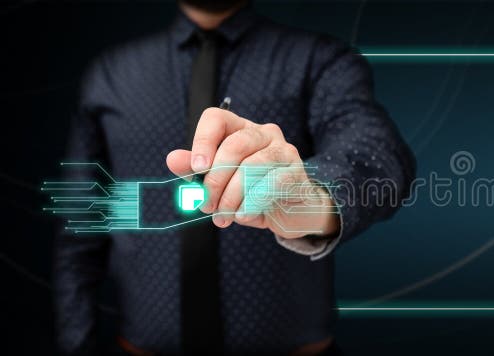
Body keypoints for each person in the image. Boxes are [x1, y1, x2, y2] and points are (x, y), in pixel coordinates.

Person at [53, 0, 415, 354]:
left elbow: (378, 154)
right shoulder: (110, 73)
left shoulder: (321, 60)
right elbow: (78, 231)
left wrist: (313, 196)